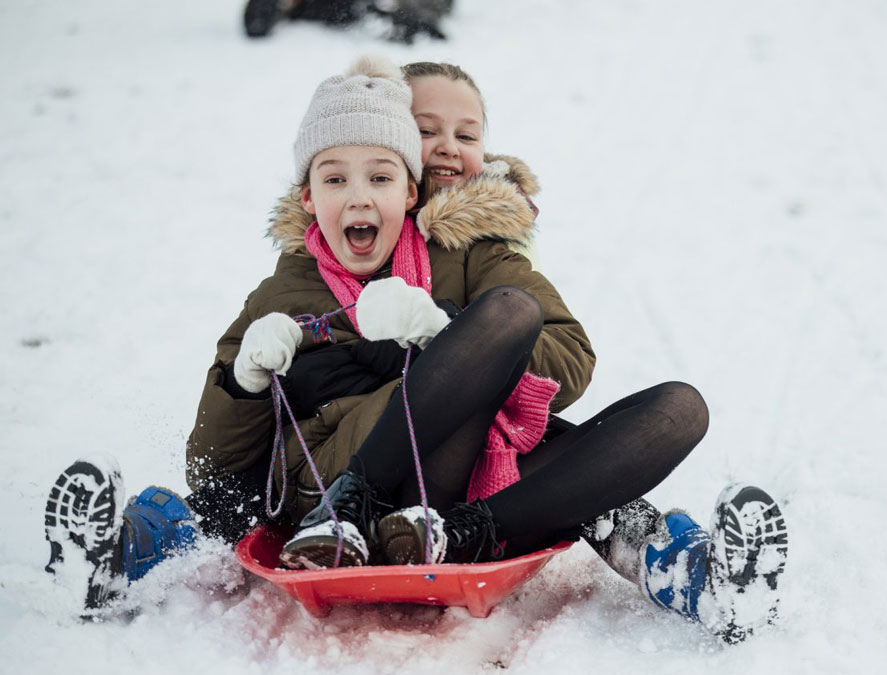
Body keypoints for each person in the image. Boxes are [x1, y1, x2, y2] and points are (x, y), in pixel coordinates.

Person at [43, 57, 788, 642]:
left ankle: (694, 573)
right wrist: (249, 380)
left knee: (663, 415)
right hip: (350, 474)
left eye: (466, 135)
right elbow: (225, 467)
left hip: (471, 490)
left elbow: (568, 357)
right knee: (208, 506)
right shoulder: (309, 262)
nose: (447, 150)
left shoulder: (481, 250)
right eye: (426, 130)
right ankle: (119, 553)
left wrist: (450, 336)